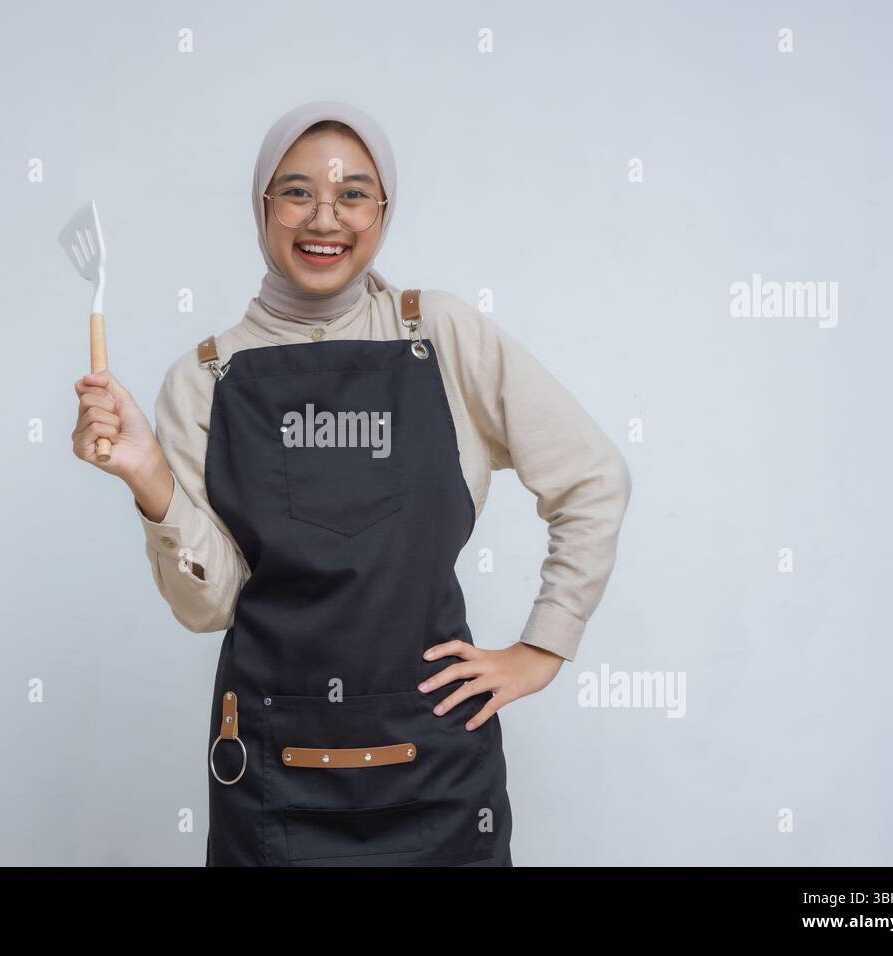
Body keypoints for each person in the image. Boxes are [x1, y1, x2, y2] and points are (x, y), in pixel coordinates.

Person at [72, 100, 632, 867]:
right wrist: (147, 476)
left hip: (438, 772)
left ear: (385, 209)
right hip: (273, 773)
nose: (324, 218)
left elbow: (593, 478)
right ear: (263, 206)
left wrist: (544, 646)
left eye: (354, 193)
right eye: (297, 191)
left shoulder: (441, 336)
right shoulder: (205, 378)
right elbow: (210, 607)